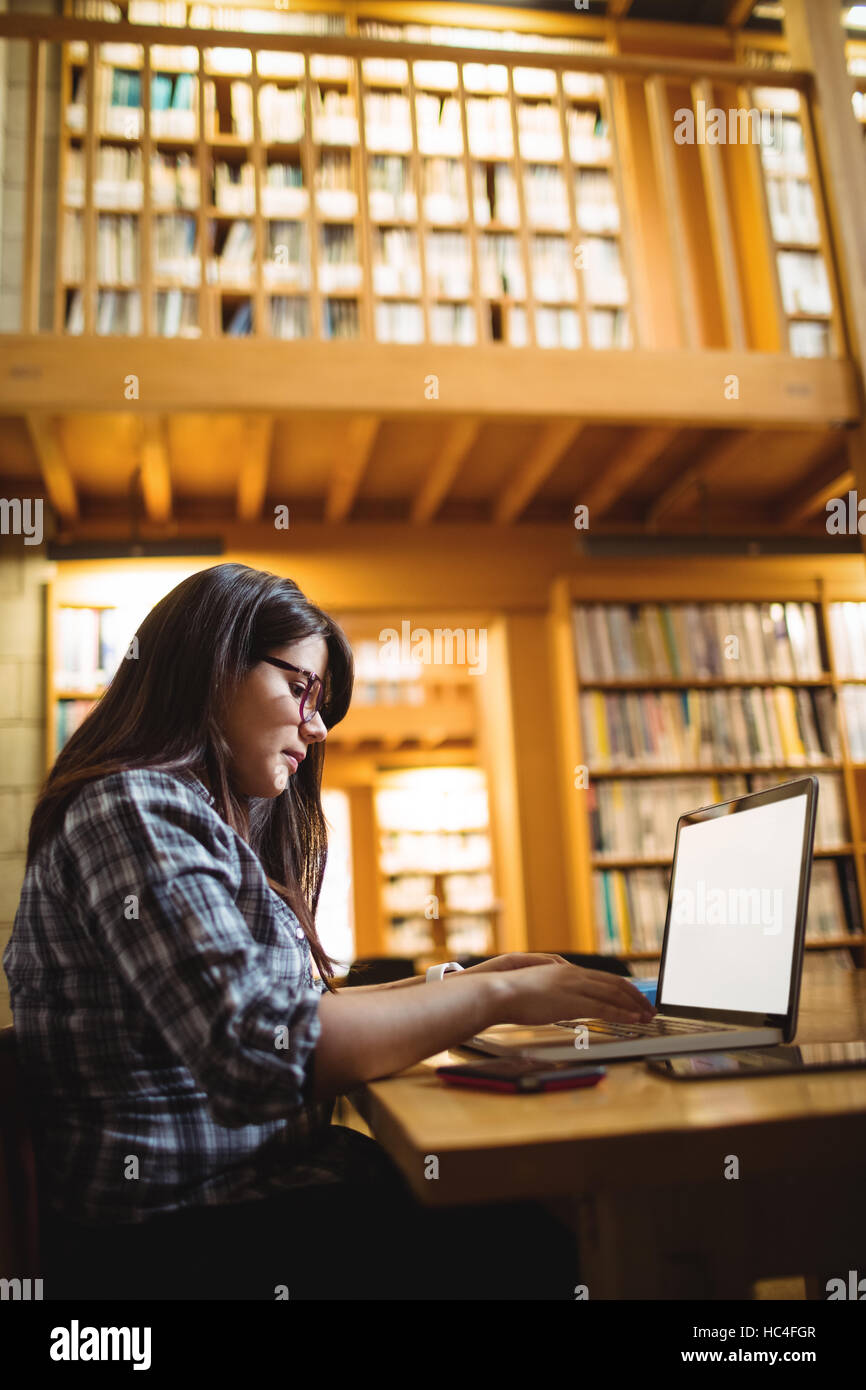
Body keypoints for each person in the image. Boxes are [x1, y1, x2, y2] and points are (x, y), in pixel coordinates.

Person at [3, 563, 655, 1300]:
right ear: (214, 662)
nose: (316, 728)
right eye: (301, 688)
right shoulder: (134, 806)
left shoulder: (181, 813)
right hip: (182, 1239)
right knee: (541, 1238)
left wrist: (462, 981)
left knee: (532, 1212)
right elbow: (258, 1048)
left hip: (234, 1200)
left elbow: (295, 1009)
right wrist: (495, 997)